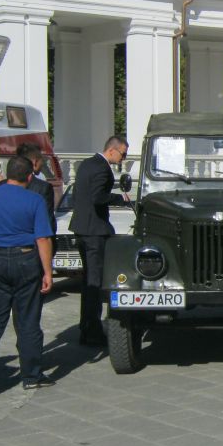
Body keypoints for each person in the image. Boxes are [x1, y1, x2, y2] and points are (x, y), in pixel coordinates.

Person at [0, 155, 54, 398]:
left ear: (6, 174)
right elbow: (42, 238)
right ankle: (32, 375)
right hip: (26, 259)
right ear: (29, 176)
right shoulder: (34, 200)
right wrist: (47, 271)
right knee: (27, 319)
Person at [70, 135, 127, 346]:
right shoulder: (102, 168)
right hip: (94, 231)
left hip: (82, 228)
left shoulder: (86, 164)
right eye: (123, 153)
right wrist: (119, 199)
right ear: (112, 150)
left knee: (87, 281)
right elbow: (97, 197)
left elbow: (79, 195)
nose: (123, 158)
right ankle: (92, 330)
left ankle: (86, 325)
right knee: (94, 282)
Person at [0, 144, 56, 238]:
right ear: (35, 162)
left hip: (2, 242)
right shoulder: (44, 187)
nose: (42, 164)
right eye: (42, 160)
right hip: (31, 243)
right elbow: (47, 222)